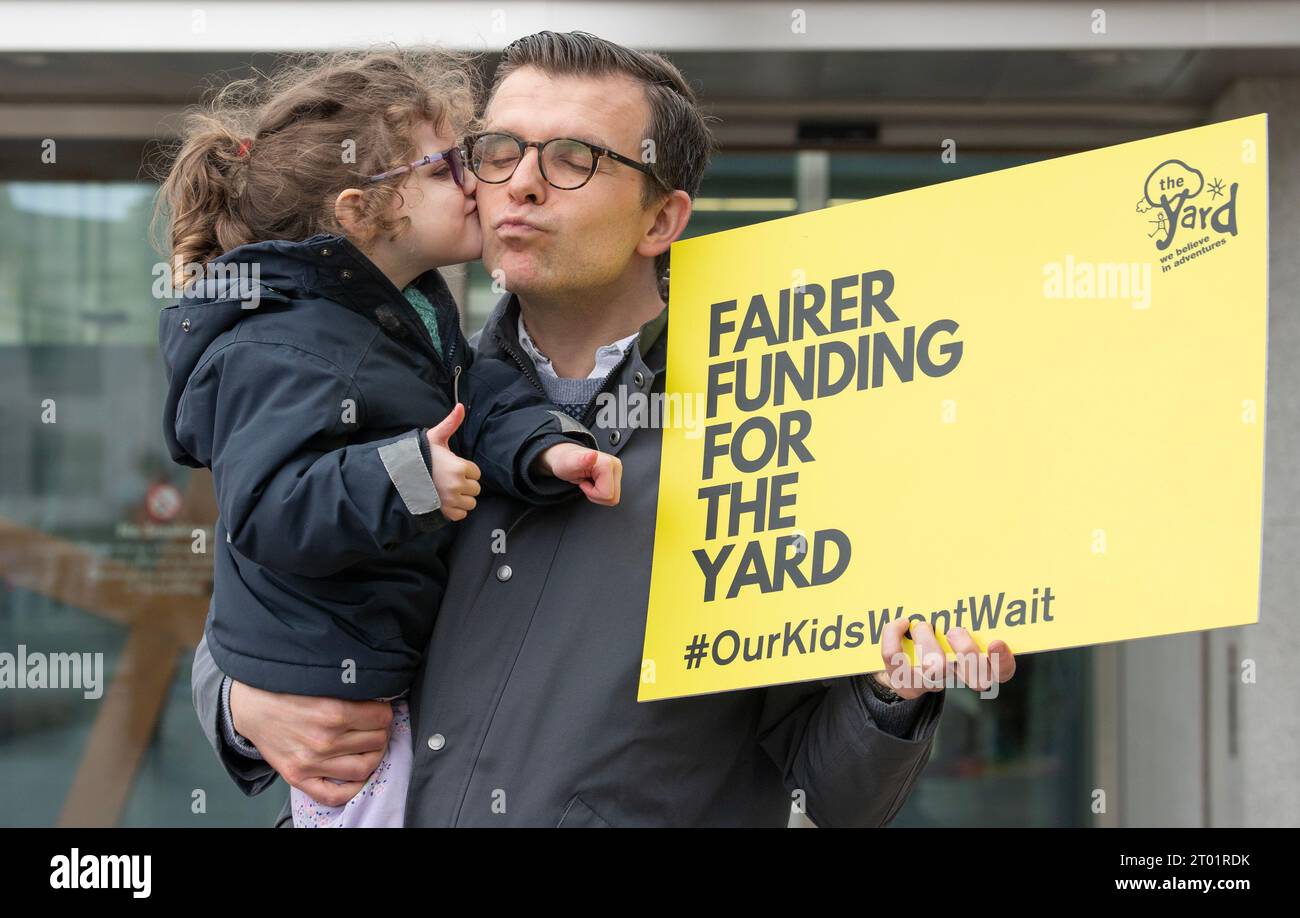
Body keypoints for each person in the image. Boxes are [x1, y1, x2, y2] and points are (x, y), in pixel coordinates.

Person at [192, 31, 1016, 827]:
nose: (519, 184)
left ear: (661, 221)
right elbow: (261, 582)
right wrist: (239, 704)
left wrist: (894, 694)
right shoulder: (398, 394)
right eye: (499, 150)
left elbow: (829, 796)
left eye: (573, 159)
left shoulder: (769, 442)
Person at [158, 48, 621, 827]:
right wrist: (410, 475)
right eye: (450, 169)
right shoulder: (283, 344)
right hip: (346, 687)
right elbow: (266, 511)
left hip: (387, 670)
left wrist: (544, 447)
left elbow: (479, 401)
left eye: (574, 162)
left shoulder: (410, 315)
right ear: (356, 211)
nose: (483, 183)